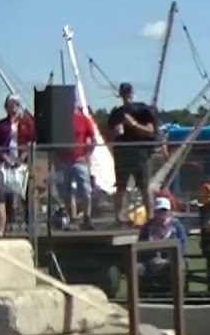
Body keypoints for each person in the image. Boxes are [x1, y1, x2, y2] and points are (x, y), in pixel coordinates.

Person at [107, 82, 159, 224]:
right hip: (122, 153)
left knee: (144, 186)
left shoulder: (142, 110)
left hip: (140, 153)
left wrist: (134, 125)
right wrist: (114, 132)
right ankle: (119, 217)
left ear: (132, 93)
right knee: (121, 186)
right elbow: (108, 136)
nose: (126, 95)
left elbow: (151, 131)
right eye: (124, 92)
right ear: (120, 94)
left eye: (128, 92)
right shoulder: (116, 113)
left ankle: (150, 217)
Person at [0, 95, 34, 228]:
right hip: (5, 162)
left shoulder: (26, 123)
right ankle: (8, 222)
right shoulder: (1, 125)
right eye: (10, 105)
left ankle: (29, 222)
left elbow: (30, 142)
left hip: (22, 162)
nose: (13, 108)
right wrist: (7, 159)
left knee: (27, 191)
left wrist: (21, 158)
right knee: (7, 192)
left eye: (16, 104)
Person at [56, 104, 96, 228]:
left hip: (79, 160)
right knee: (65, 192)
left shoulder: (84, 119)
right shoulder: (59, 120)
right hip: (62, 161)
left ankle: (87, 218)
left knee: (86, 191)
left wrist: (87, 155)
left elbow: (93, 139)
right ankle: (72, 218)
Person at [136, 196, 188, 293]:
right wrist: (151, 260)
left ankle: (178, 296)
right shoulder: (147, 227)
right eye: (159, 211)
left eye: (164, 211)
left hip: (171, 259)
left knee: (180, 265)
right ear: (154, 212)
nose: (161, 214)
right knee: (136, 268)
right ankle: (140, 298)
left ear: (169, 212)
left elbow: (183, 246)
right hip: (150, 260)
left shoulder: (177, 226)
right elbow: (140, 247)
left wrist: (167, 261)